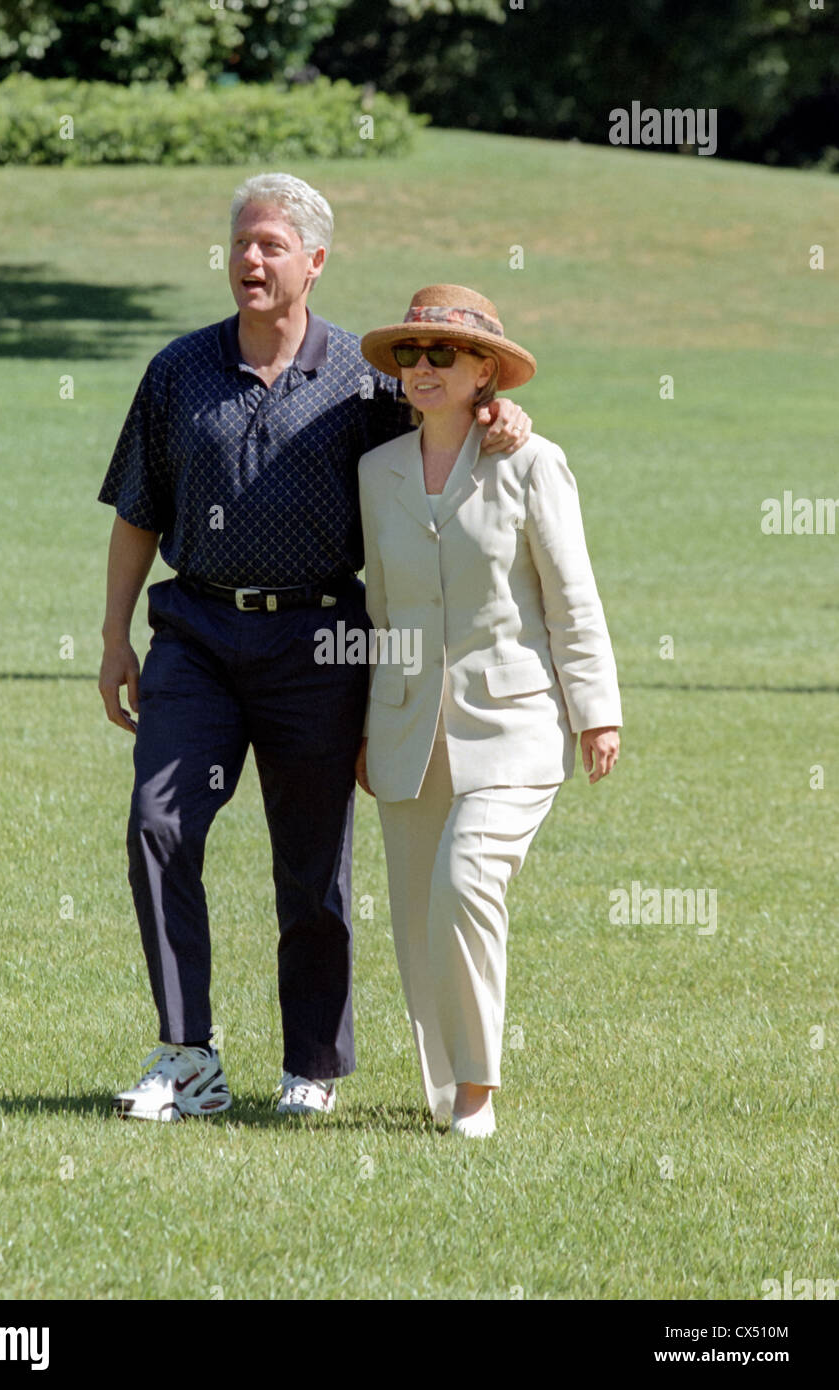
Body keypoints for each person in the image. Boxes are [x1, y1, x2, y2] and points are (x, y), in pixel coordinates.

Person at [97, 177, 532, 1122]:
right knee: (159, 827)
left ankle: (311, 1068)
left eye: (272, 247)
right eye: (242, 243)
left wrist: (503, 417)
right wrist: (112, 636)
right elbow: (138, 510)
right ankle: (187, 1054)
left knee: (311, 861)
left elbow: (443, 423)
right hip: (196, 637)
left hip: (321, 640)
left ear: (315, 262)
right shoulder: (177, 372)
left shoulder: (366, 384)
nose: (252, 261)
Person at [355, 284, 622, 1138]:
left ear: (484, 371)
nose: (423, 367)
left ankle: (477, 1092)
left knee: (466, 882)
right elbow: (381, 611)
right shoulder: (376, 471)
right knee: (414, 916)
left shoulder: (530, 460)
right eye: (411, 353)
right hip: (406, 729)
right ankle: (443, 1094)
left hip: (516, 724)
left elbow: (569, 596)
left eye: (444, 353)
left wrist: (596, 711)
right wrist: (369, 721)